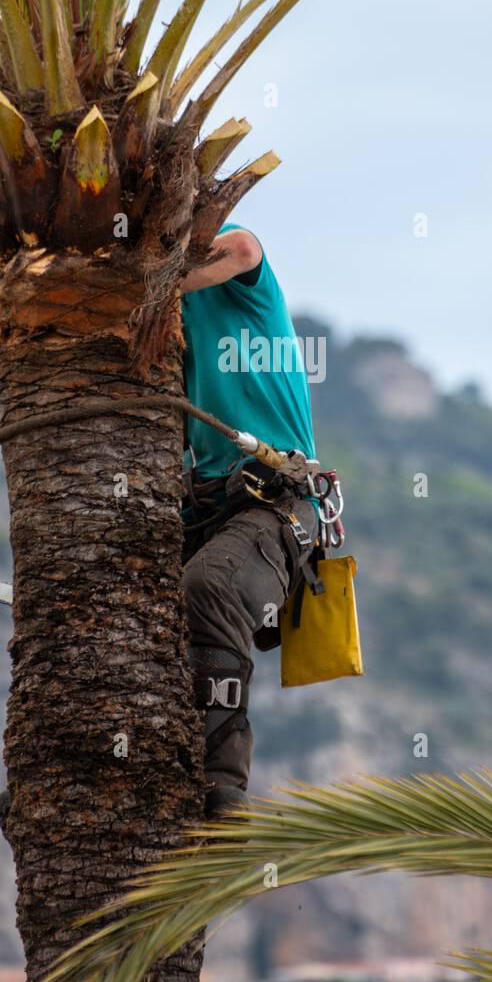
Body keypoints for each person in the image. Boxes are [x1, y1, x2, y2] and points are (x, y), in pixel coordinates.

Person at [180, 222, 319, 820]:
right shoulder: (171, 322)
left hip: (278, 505)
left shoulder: (236, 271)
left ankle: (224, 788)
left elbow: (242, 248)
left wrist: (140, 287)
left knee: (210, 586)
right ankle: (61, 769)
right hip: (209, 503)